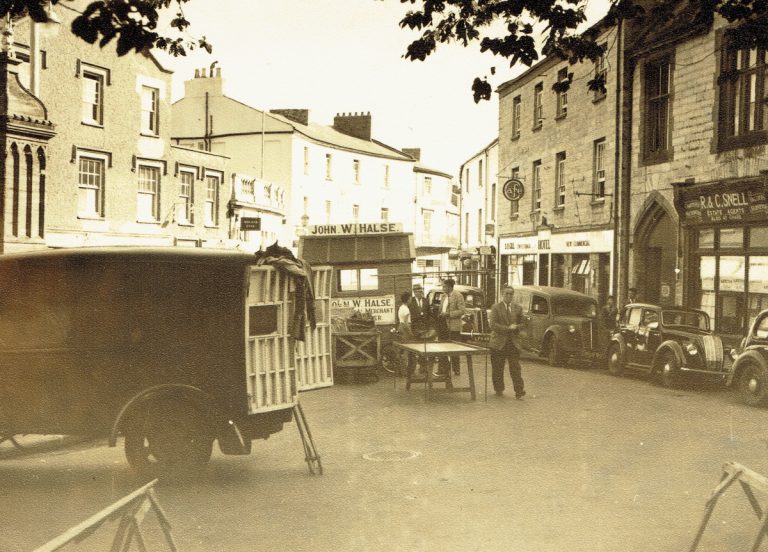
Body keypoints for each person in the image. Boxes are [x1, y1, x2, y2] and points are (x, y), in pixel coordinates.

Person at [488, 285, 526, 398]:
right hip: (498, 343)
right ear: (502, 295)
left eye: (511, 294)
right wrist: (507, 328)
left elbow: (523, 323)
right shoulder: (496, 307)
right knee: (498, 368)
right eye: (506, 294)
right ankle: (499, 388)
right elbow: (493, 325)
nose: (509, 296)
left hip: (513, 343)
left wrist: (517, 326)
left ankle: (519, 390)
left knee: (515, 368)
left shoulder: (518, 308)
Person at [437, 278, 466, 376]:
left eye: (444, 286)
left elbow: (462, 311)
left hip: (453, 326)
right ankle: (443, 369)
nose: (443, 288)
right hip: (443, 324)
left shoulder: (458, 296)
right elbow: (441, 309)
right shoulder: (443, 296)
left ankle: (456, 369)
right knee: (442, 347)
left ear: (450, 287)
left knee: (454, 348)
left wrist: (448, 314)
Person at [407, 283, 433, 376]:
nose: (421, 293)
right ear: (414, 292)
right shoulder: (411, 302)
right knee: (415, 349)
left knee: (424, 348)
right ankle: (412, 370)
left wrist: (429, 326)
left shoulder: (426, 301)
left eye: (421, 291)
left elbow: (429, 314)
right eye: (418, 291)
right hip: (415, 328)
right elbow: (409, 314)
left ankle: (424, 368)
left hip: (424, 328)